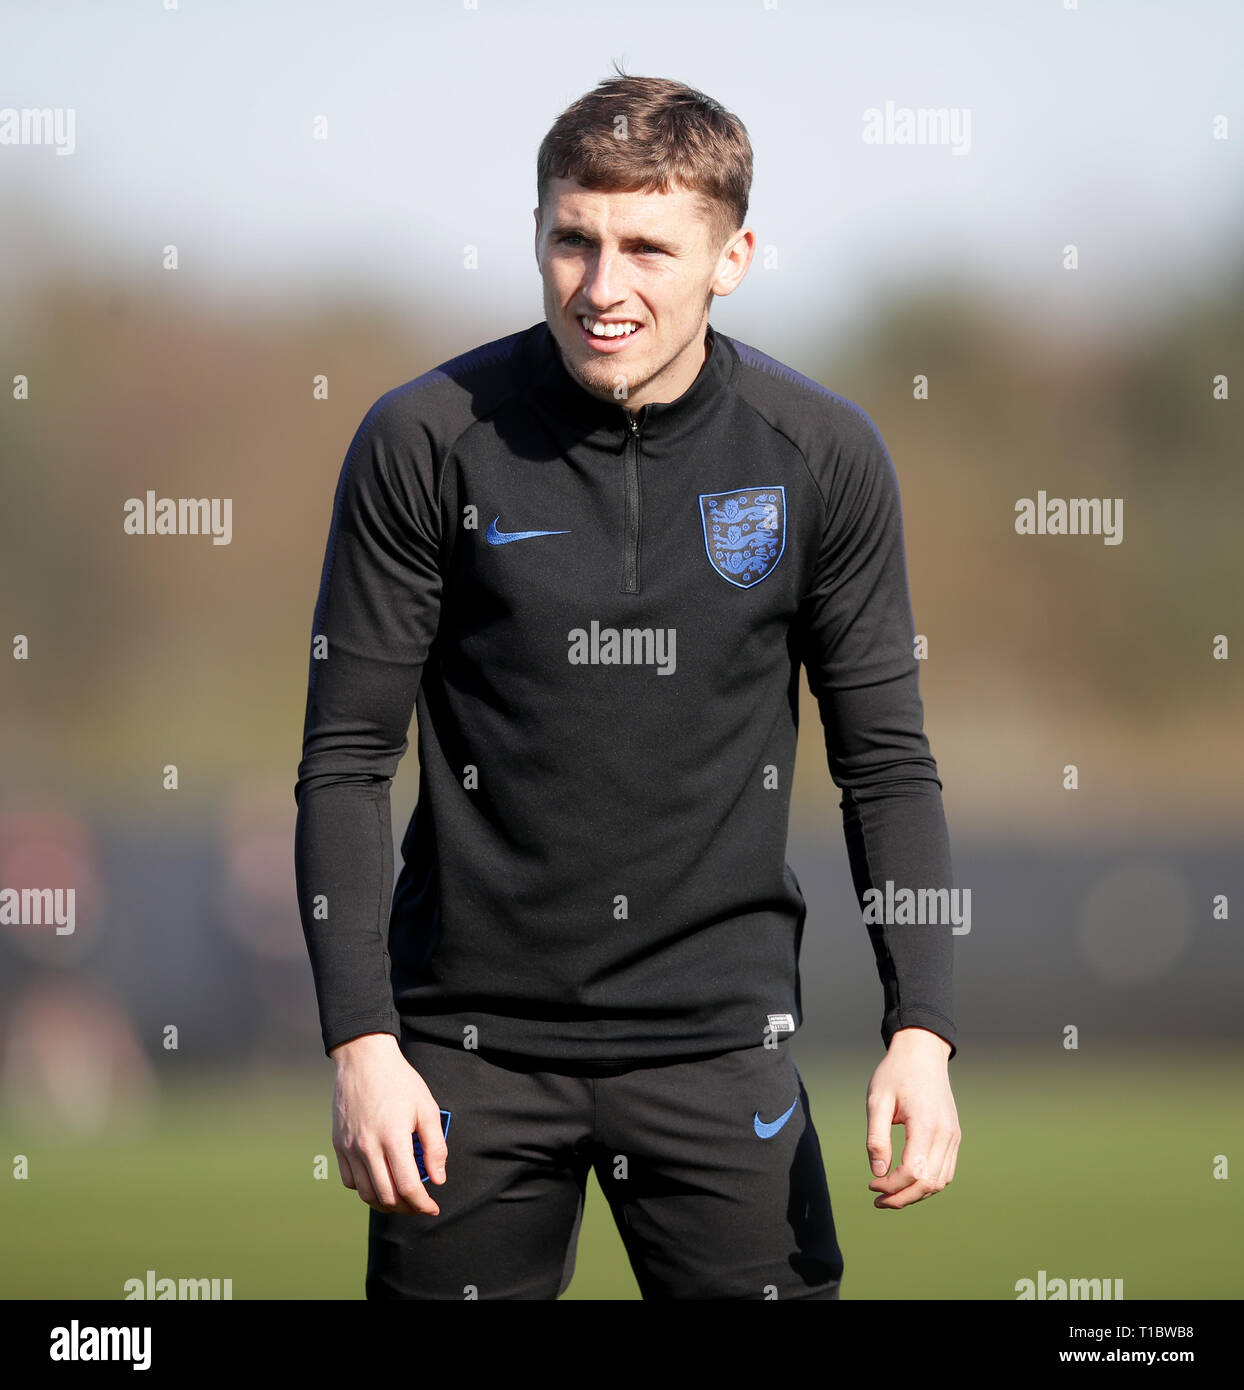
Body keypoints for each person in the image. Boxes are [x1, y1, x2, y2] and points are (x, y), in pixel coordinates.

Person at [293, 66, 960, 1301]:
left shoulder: (819, 456)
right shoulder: (422, 439)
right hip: (463, 1061)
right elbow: (342, 761)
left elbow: (885, 762)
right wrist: (361, 1042)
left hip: (720, 1049)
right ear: (538, 232)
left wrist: (919, 1027)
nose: (603, 288)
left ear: (732, 255)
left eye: (648, 246)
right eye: (571, 240)